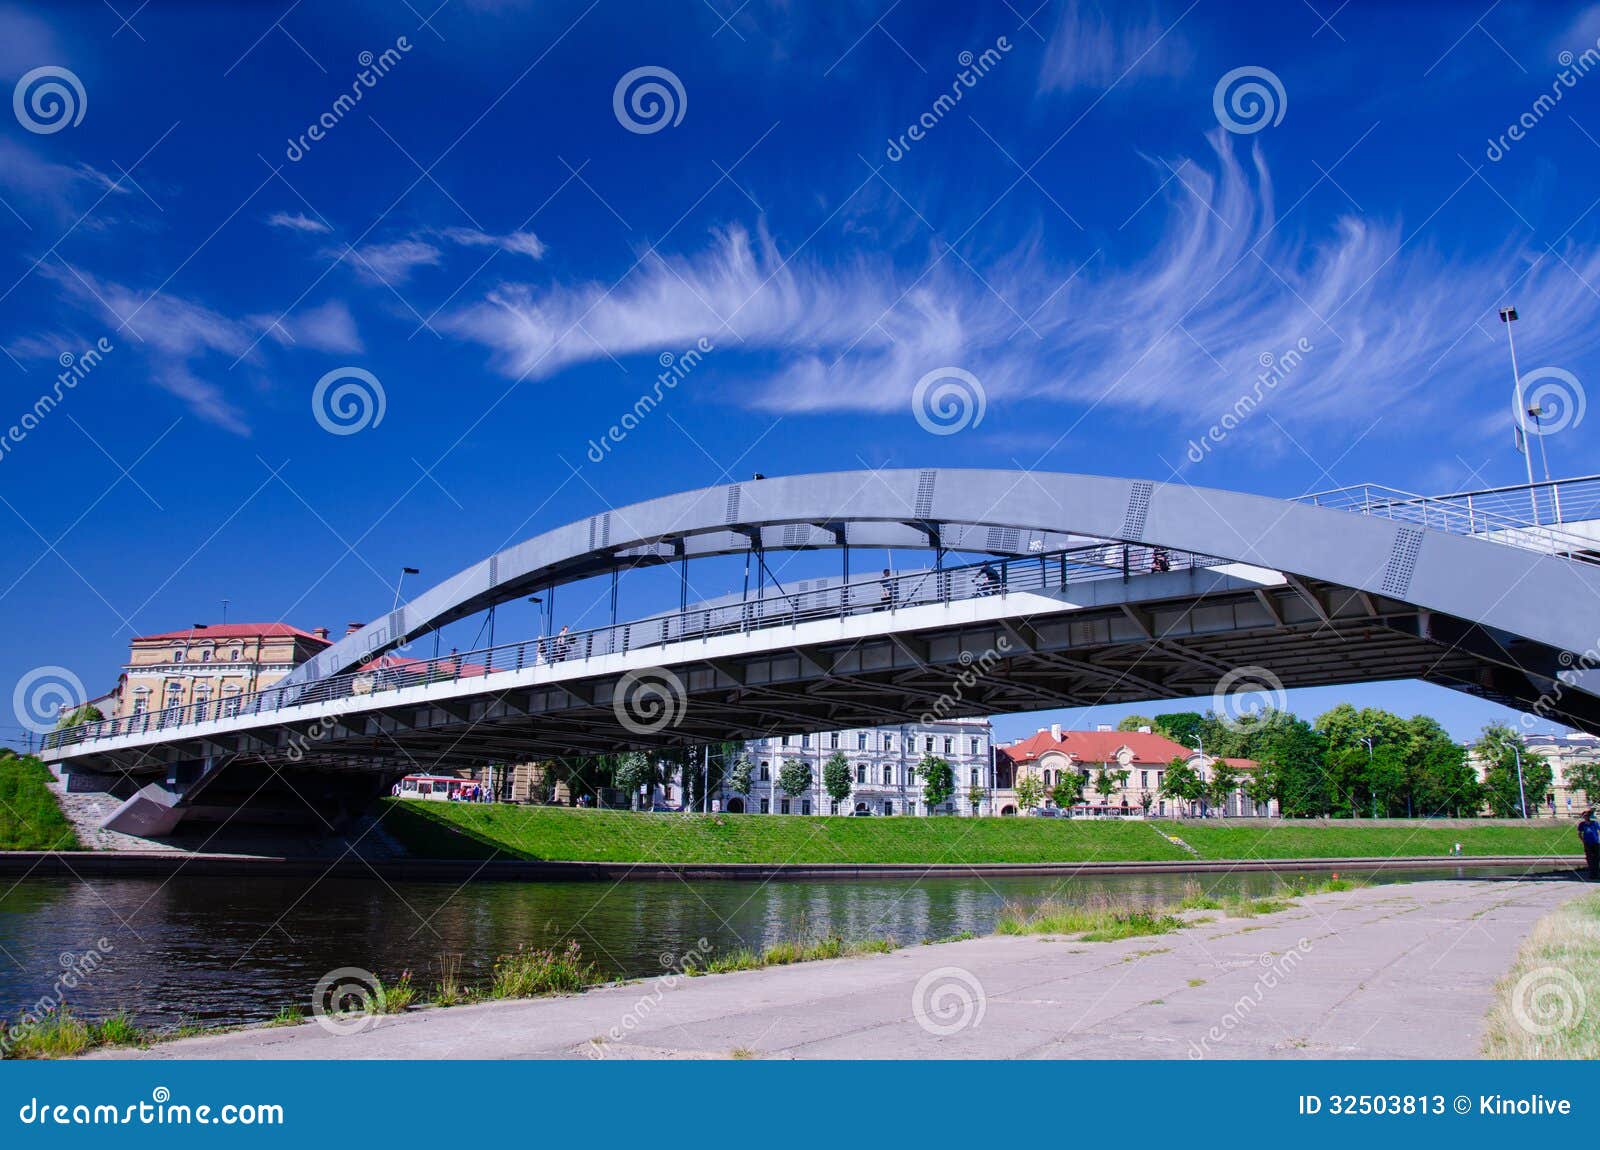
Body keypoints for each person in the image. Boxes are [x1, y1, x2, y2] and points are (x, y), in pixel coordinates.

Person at [1579, 808, 1600, 881]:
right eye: (1584, 816)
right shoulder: (1582, 824)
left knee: (1596, 858)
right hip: (1587, 843)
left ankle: (1596, 873)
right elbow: (1579, 833)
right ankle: (1592, 873)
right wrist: (1583, 841)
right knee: (1589, 858)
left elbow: (1598, 830)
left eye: (1587, 815)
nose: (1586, 817)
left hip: (1596, 842)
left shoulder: (1594, 823)